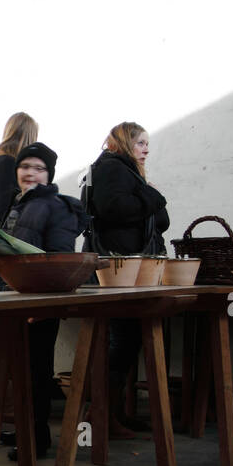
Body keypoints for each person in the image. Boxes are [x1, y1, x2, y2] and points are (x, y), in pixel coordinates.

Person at [0, 142, 87, 461]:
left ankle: (37, 438)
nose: (30, 173)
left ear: (49, 175)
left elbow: (59, 260)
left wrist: (43, 303)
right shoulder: (16, 203)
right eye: (25, 167)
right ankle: (25, 428)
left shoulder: (56, 206)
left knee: (36, 370)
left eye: (38, 168)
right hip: (13, 298)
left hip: (38, 301)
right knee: (19, 369)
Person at [81, 121, 170, 438]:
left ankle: (111, 412)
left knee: (126, 339)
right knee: (121, 340)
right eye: (141, 143)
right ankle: (100, 414)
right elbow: (113, 208)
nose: (146, 149)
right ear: (125, 142)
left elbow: (159, 218)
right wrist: (152, 198)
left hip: (127, 269)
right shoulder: (112, 168)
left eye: (148, 144)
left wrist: (151, 199)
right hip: (116, 269)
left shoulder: (122, 170)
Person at [0, 112, 38, 222]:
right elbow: (4, 211)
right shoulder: (8, 164)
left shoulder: (1, 161)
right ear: (29, 137)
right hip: (12, 235)